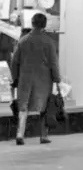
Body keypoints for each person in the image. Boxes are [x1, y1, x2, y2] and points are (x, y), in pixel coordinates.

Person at [11, 13, 61, 146]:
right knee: (44, 107)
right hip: (43, 80)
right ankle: (44, 136)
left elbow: (14, 62)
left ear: (32, 24)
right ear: (44, 25)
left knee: (23, 107)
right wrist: (57, 78)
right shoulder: (49, 42)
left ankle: (20, 134)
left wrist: (15, 78)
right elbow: (53, 63)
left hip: (25, 79)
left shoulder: (23, 40)